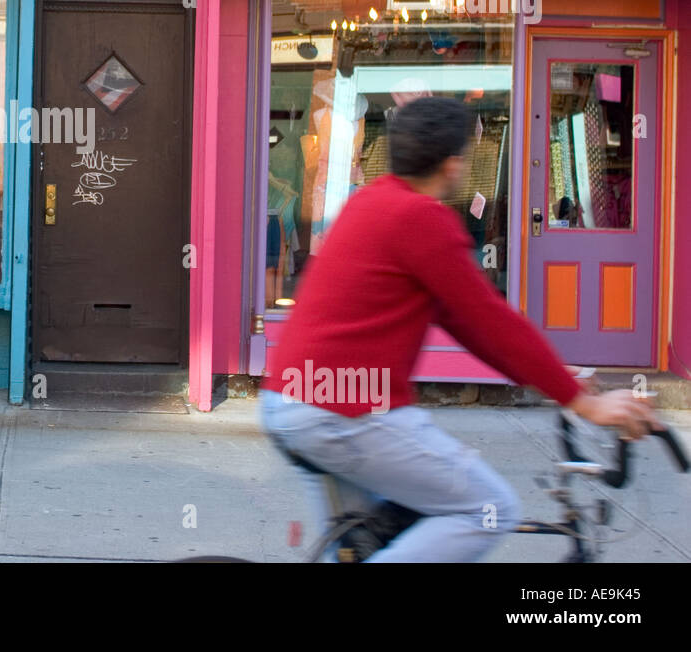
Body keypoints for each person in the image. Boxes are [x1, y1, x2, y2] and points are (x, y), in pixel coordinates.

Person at [260, 96, 661, 562]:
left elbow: (466, 322)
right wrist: (584, 404)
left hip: (295, 402)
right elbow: (490, 319)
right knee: (488, 509)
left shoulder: (370, 202)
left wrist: (560, 379)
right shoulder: (422, 218)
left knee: (363, 546)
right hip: (342, 412)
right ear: (453, 165)